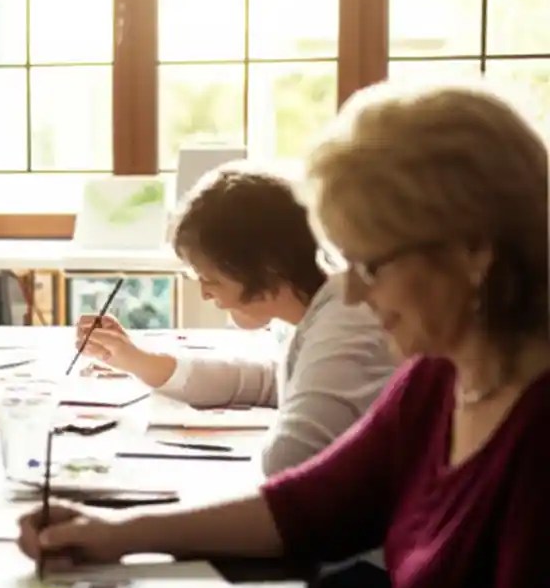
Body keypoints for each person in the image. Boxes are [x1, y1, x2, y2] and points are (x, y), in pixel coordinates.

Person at [18, 82, 550, 588]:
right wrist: (115, 534)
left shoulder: (535, 430)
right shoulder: (437, 378)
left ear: (473, 249)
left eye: (371, 264)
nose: (355, 292)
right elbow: (306, 508)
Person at [77, 164, 397, 474]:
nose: (204, 294)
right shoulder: (321, 313)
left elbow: (290, 462)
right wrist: (136, 360)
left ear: (267, 268)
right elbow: (265, 382)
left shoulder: (346, 321)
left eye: (210, 280)